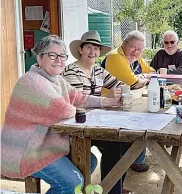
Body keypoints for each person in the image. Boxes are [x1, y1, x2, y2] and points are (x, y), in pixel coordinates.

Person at [1, 35, 122, 194]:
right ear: (39, 58)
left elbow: (78, 97)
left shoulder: (55, 79)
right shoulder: (31, 82)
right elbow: (63, 110)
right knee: (73, 182)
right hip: (24, 151)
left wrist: (104, 102)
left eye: (62, 56)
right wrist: (96, 112)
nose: (58, 60)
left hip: (45, 145)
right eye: (52, 55)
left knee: (88, 161)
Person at [62, 31, 131, 194]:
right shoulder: (72, 71)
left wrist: (121, 92)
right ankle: (112, 188)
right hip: (75, 127)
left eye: (97, 48)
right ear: (80, 49)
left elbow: (119, 84)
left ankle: (114, 186)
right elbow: (79, 101)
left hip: (94, 121)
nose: (93, 52)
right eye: (89, 47)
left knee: (126, 140)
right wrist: (106, 99)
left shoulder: (98, 71)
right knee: (115, 144)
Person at [102, 30, 152, 172]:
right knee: (142, 121)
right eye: (132, 47)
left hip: (127, 101)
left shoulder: (135, 56)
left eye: (139, 49)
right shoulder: (115, 57)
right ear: (123, 43)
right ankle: (134, 160)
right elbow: (135, 83)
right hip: (108, 106)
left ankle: (136, 159)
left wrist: (143, 76)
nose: (136, 52)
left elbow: (151, 71)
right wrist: (144, 78)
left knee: (147, 116)